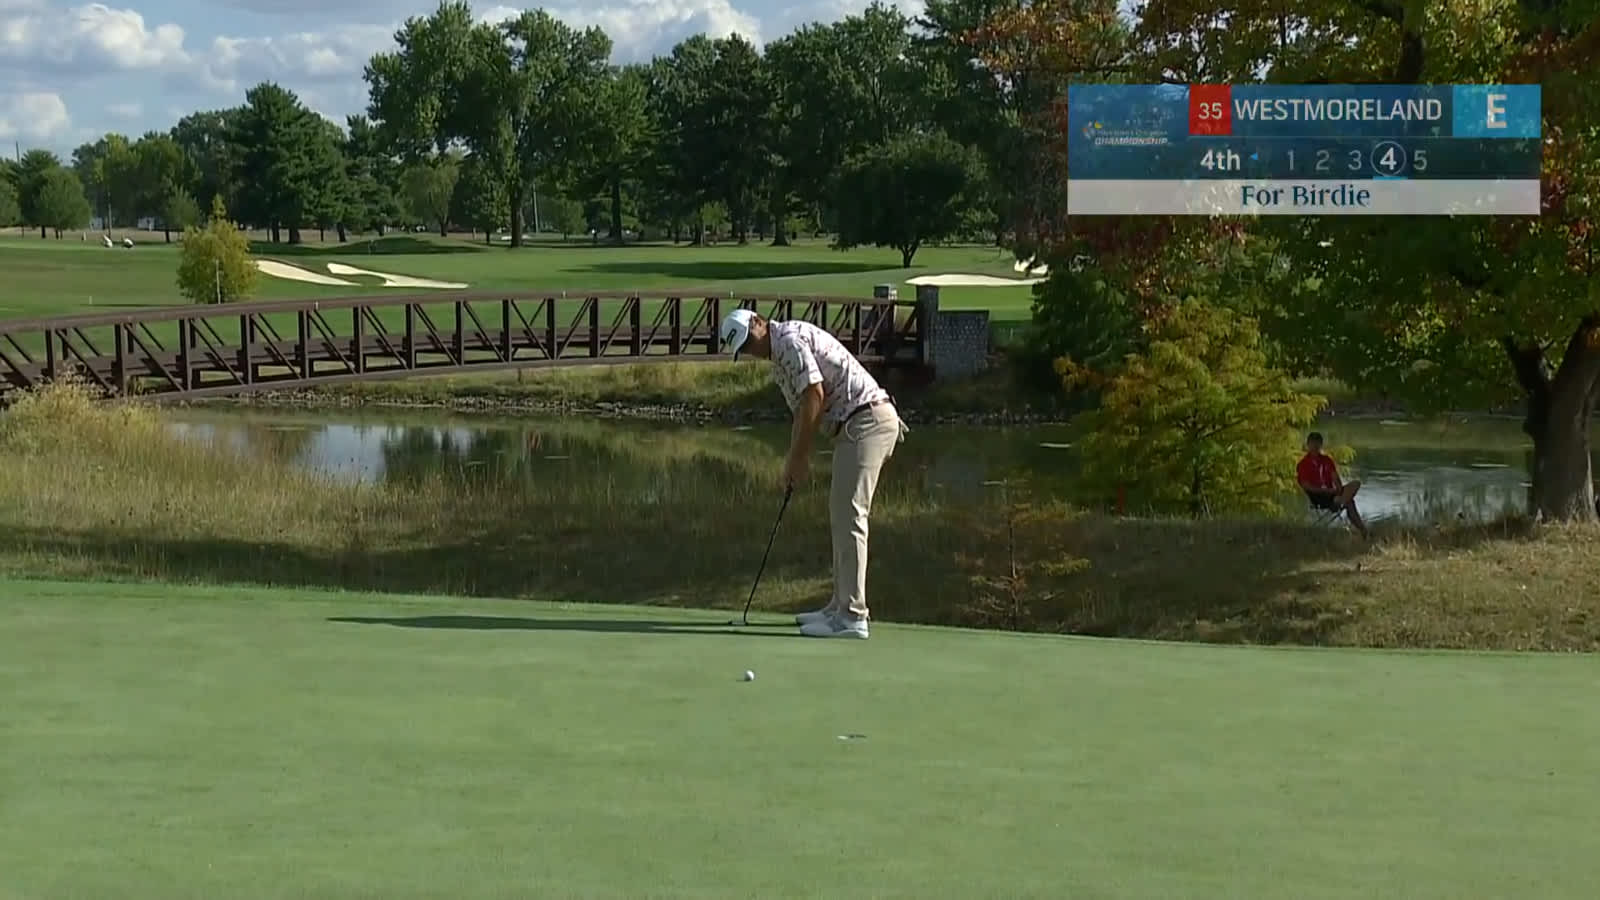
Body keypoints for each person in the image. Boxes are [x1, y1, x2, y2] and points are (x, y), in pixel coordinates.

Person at [718, 308, 908, 639]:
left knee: (851, 514)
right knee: (840, 513)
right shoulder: (780, 362)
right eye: (744, 350)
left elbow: (814, 395)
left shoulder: (789, 340)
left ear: (759, 323)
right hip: (854, 425)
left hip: (868, 420)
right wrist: (794, 459)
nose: (752, 351)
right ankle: (838, 606)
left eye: (749, 341)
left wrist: (798, 459)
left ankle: (852, 616)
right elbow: (801, 415)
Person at [1296, 431, 1368, 537]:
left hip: (1333, 493)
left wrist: (1338, 489)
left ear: (1321, 445)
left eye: (1317, 444)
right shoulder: (1303, 464)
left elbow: (1335, 478)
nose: (1315, 447)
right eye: (1313, 444)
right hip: (1318, 496)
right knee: (1350, 503)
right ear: (1308, 445)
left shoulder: (1327, 460)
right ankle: (1363, 531)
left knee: (1356, 483)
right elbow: (1306, 486)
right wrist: (1324, 491)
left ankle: (1339, 501)